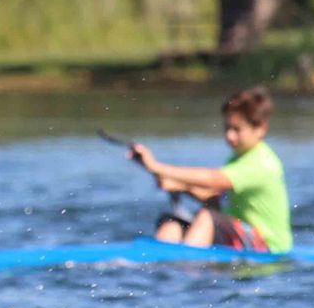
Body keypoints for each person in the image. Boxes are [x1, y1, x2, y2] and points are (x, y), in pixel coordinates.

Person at [125, 87, 293, 253]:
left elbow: (214, 179)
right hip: (239, 236)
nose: (229, 136)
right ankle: (161, 271)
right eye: (227, 128)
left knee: (207, 217)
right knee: (171, 225)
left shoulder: (262, 161)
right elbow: (213, 197)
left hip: (269, 248)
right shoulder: (237, 158)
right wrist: (179, 186)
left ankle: (187, 267)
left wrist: (157, 166)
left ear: (260, 128)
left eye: (237, 129)